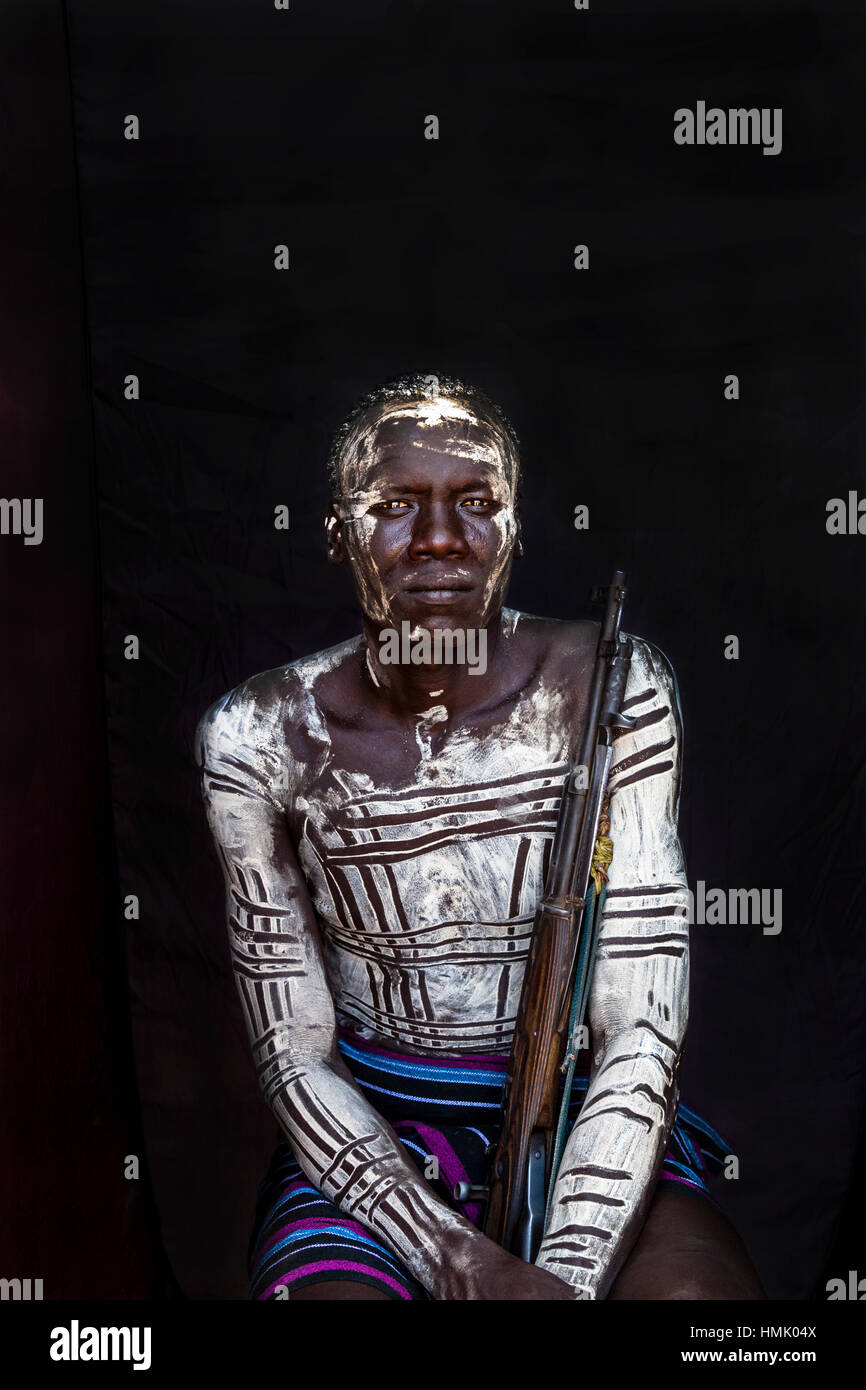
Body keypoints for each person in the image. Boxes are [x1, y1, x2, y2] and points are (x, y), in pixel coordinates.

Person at [196, 373, 764, 1300]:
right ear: (338, 532)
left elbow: (640, 1027)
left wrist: (565, 1277)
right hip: (369, 1139)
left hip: (587, 1118)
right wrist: (460, 1263)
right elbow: (294, 1051)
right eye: (395, 506)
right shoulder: (261, 733)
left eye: (476, 504)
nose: (440, 540)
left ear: (513, 533)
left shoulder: (614, 687)